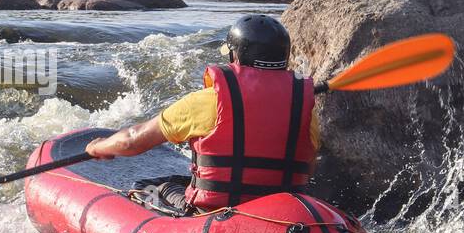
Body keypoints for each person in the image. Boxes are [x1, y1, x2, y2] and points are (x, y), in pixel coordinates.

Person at [84, 14, 319, 215]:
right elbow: (307, 167)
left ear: (235, 57)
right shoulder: (305, 106)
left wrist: (99, 147)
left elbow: (132, 141)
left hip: (213, 214)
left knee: (148, 188)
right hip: (283, 216)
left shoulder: (209, 100)